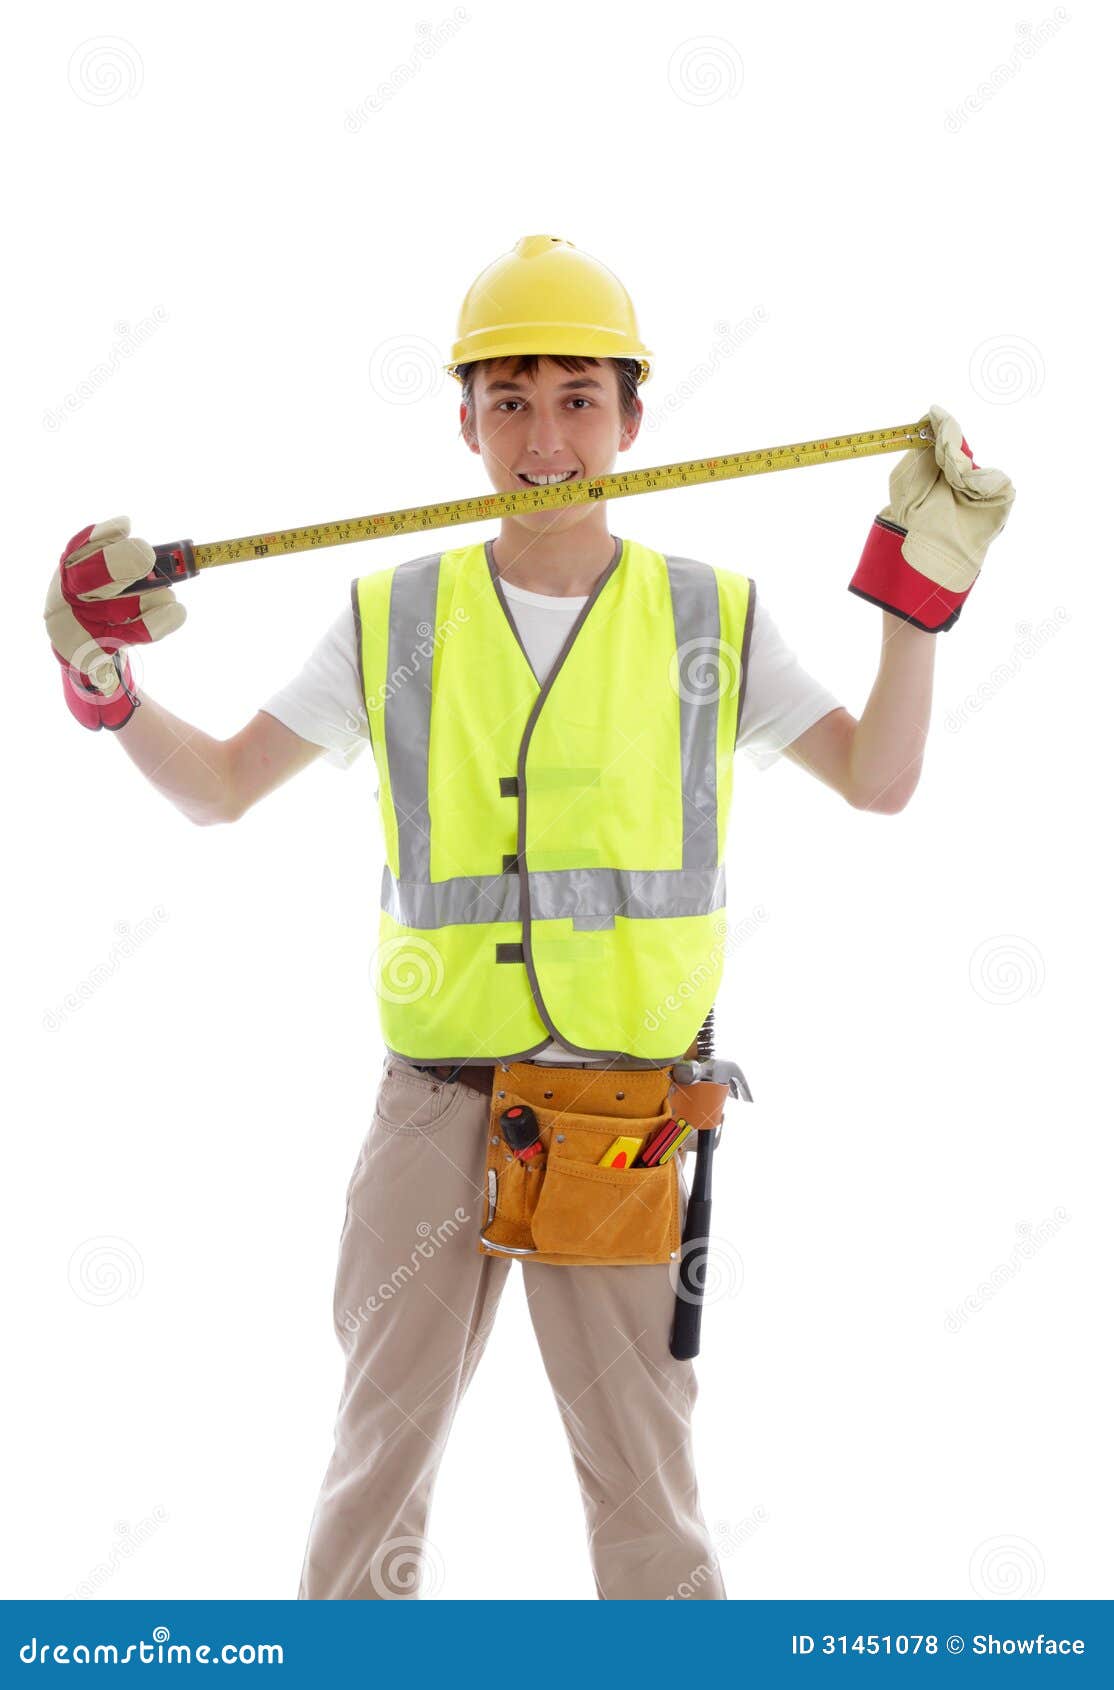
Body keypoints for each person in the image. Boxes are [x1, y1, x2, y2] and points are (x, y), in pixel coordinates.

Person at [43, 235, 1015, 1601]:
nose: (544, 436)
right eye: (509, 399)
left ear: (630, 417)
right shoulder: (393, 617)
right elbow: (216, 791)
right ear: (464, 423)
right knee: (375, 1465)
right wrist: (107, 690)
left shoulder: (708, 617)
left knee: (645, 1488)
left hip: (619, 1116)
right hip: (432, 1103)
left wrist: (916, 606)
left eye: (574, 397)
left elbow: (879, 779)